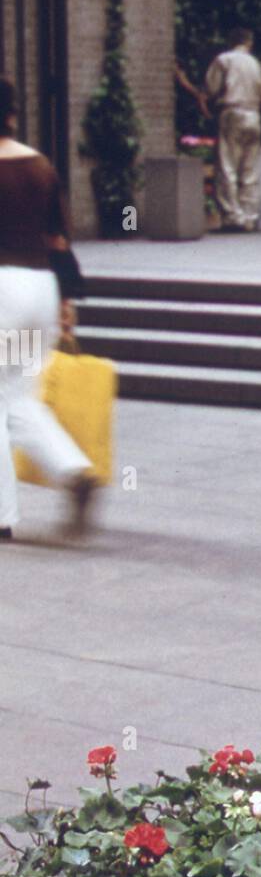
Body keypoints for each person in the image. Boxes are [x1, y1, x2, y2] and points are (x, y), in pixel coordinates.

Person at [0, 77, 95, 541]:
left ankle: (1, 514)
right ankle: (72, 468)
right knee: (17, 395)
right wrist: (65, 300)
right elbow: (59, 241)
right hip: (39, 288)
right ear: (12, 115)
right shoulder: (40, 166)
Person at [205, 28, 261, 233]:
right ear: (249, 43)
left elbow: (211, 89)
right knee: (250, 168)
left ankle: (232, 216)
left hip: (231, 113)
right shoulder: (256, 64)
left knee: (227, 165)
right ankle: (249, 216)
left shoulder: (224, 60)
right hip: (254, 115)